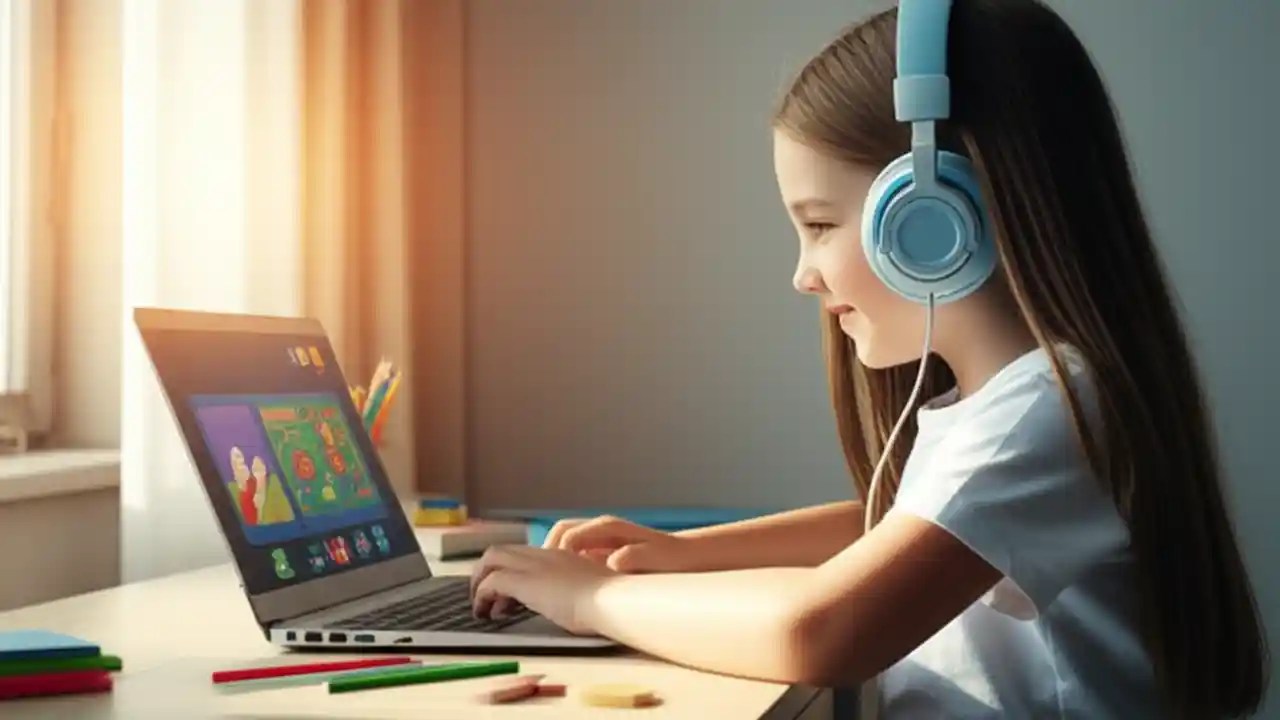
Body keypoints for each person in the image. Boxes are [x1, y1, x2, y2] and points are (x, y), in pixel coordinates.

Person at [468, 1, 1268, 717]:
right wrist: (686, 554)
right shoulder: (1008, 402)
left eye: (819, 224)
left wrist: (595, 600)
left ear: (930, 217)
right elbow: (896, 527)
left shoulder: (1046, 408)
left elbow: (823, 631)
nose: (802, 273)